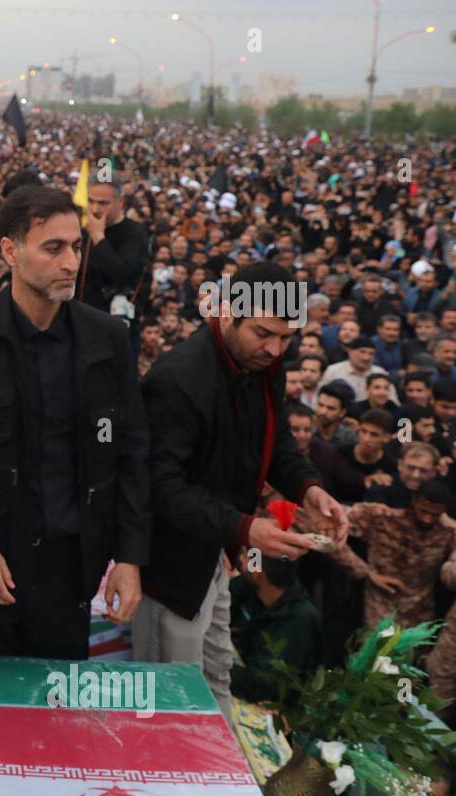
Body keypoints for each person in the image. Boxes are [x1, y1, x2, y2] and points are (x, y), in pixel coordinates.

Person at [0, 186, 150, 657]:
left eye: (77, 247)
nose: (70, 263)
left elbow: (132, 451)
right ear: (10, 251)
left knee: (54, 707)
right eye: (53, 248)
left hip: (71, 566)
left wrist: (130, 556)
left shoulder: (106, 341)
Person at [135, 262, 348, 720]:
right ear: (228, 312)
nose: (274, 350)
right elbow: (161, 488)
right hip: (170, 569)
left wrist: (308, 488)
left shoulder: (264, 363)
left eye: (287, 338)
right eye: (263, 334)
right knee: (172, 703)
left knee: (216, 683)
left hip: (217, 552)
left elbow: (274, 439)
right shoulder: (178, 380)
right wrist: (248, 529)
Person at [333, 480, 456, 630]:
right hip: (379, 604)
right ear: (414, 501)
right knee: (378, 650)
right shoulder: (382, 517)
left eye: (434, 514)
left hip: (419, 611)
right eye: (423, 511)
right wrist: (364, 571)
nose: (427, 519)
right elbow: (326, 526)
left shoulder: (449, 531)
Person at [228, 556, 321, 704]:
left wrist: (215, 669)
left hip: (273, 706)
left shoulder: (298, 621)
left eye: (250, 554)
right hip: (242, 671)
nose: (241, 557)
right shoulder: (253, 585)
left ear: (258, 571)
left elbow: (265, 685)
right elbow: (221, 603)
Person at [78, 173, 149, 321]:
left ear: (121, 202)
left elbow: (123, 275)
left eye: (103, 203)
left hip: (114, 323)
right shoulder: (84, 230)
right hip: (80, 316)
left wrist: (99, 238)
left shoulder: (135, 233)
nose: (95, 209)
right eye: (90, 201)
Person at [321, 339, 396, 403]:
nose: (366, 358)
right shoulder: (333, 371)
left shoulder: (380, 373)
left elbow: (392, 399)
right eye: (362, 352)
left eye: (371, 354)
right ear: (350, 352)